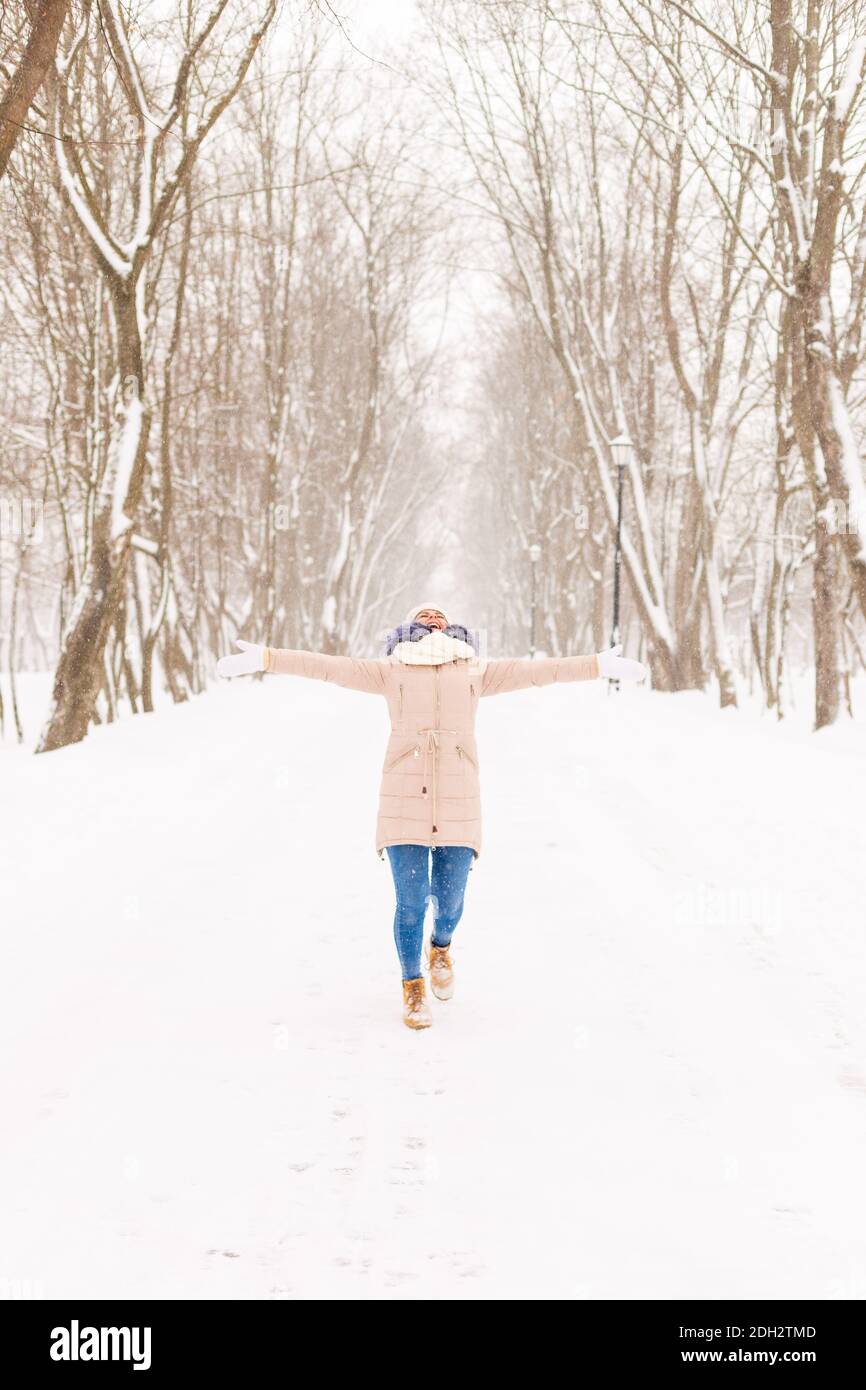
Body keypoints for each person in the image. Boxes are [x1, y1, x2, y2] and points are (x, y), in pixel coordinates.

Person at [218, 603, 646, 1029]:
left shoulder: (476, 670)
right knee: (411, 901)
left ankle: (440, 947)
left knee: (451, 901)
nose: (433, 619)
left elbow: (539, 672)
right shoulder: (391, 670)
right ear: (408, 625)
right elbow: (327, 667)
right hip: (404, 800)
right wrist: (268, 658)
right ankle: (412, 985)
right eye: (424, 615)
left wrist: (596, 664)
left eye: (439, 615)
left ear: (454, 626)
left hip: (459, 800)